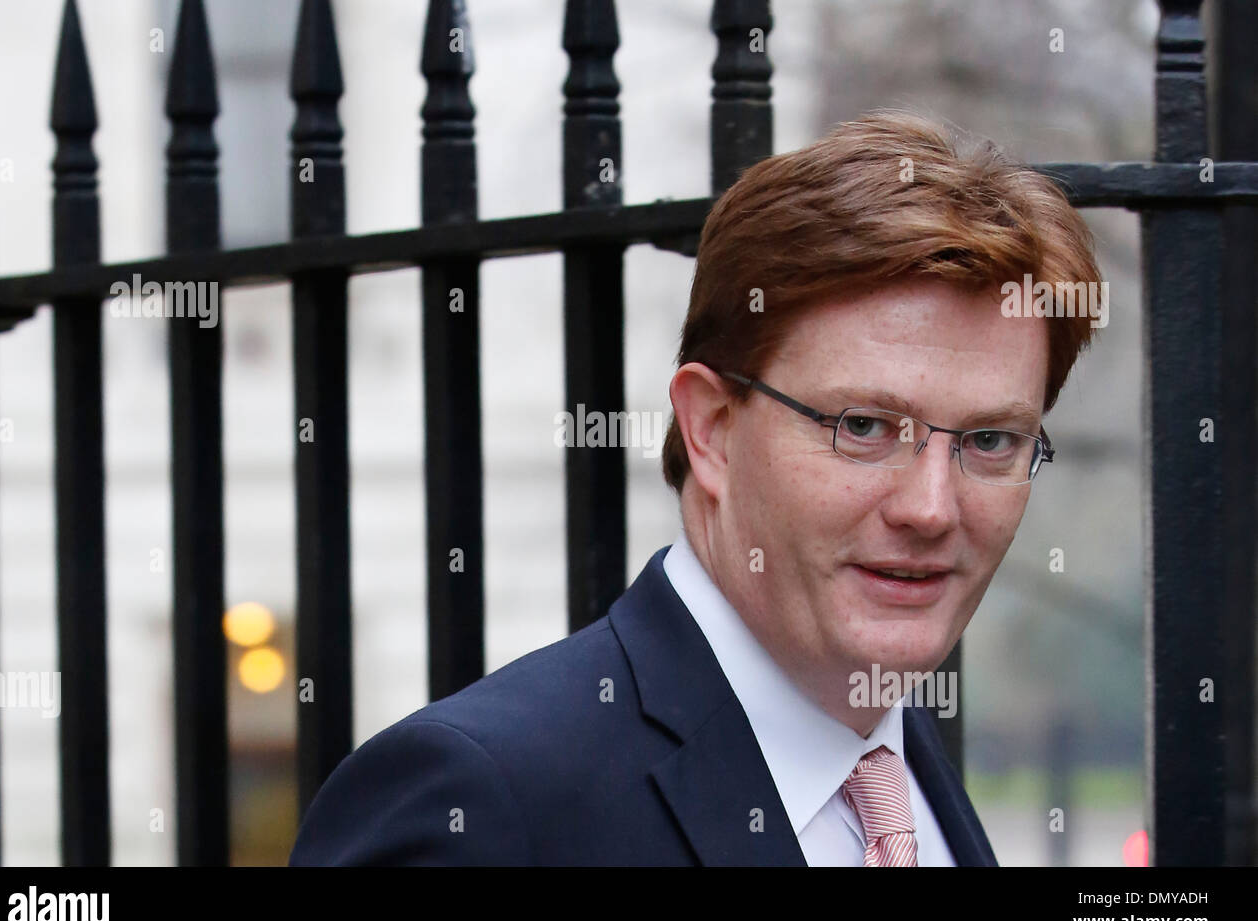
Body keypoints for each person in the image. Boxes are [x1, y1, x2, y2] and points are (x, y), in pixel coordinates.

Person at [289, 108, 1102, 866]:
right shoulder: (481, 805)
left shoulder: (900, 769)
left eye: (992, 440)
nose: (930, 508)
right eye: (862, 427)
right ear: (711, 428)